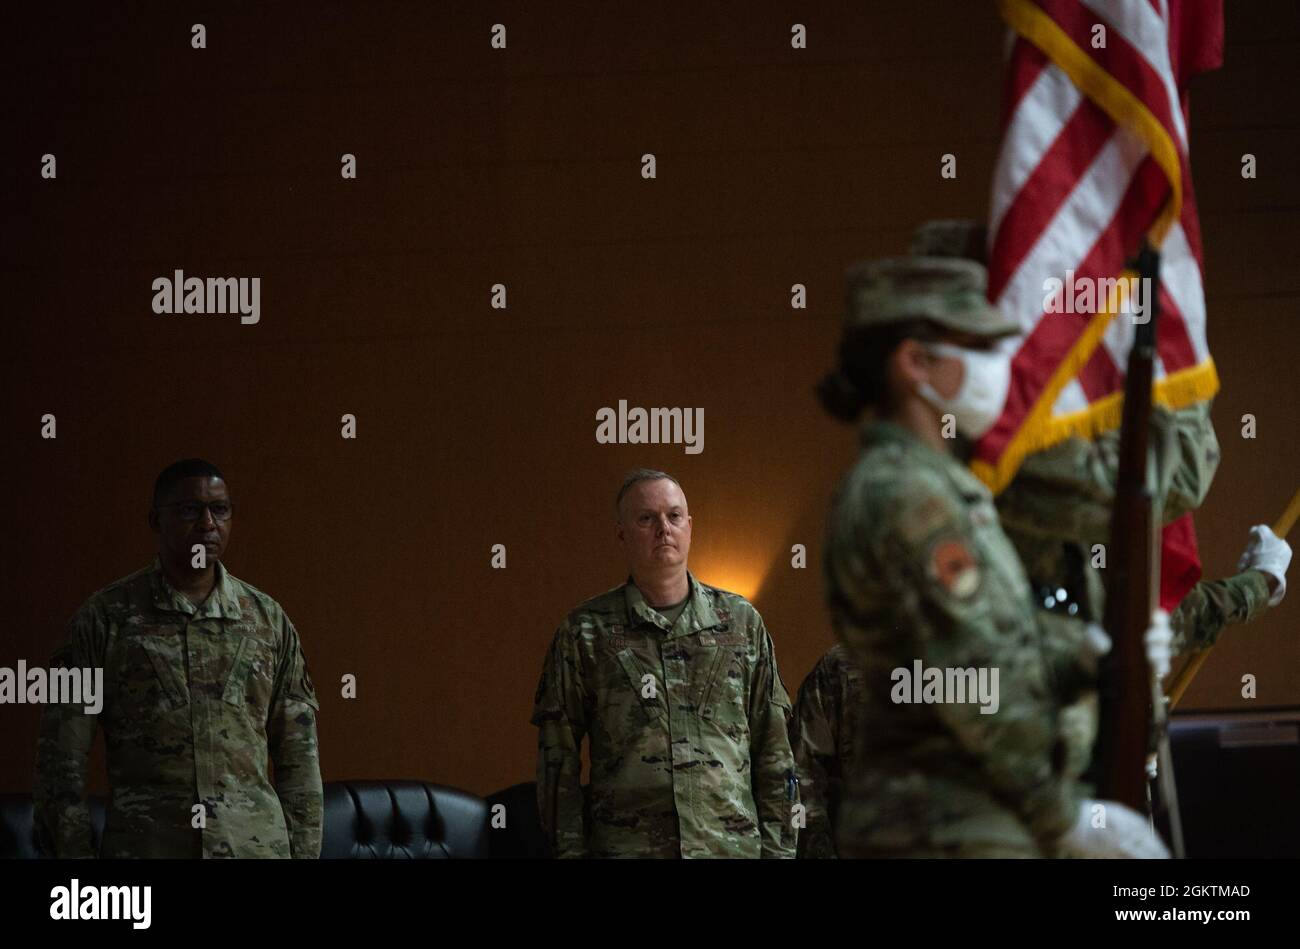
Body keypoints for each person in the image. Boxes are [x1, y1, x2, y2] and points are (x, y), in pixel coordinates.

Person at [817, 255, 1161, 857]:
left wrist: (1082, 657)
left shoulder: (940, 486)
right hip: (940, 826)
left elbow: (990, 652)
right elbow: (969, 682)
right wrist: (1061, 818)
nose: (1000, 365)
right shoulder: (905, 494)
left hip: (976, 822)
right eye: (975, 345)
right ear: (914, 363)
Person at [34, 459, 323, 858]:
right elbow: (59, 760)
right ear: (156, 520)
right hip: (148, 847)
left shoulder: (267, 620)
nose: (207, 524)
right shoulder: (104, 619)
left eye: (219, 510)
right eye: (189, 510)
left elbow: (299, 757)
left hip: (252, 848)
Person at [530, 469, 798, 858]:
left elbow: (775, 754)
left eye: (674, 516)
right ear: (621, 533)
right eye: (646, 518)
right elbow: (558, 766)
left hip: (730, 850)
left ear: (689, 526)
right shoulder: (585, 632)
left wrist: (780, 853)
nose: (663, 529)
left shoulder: (741, 624)